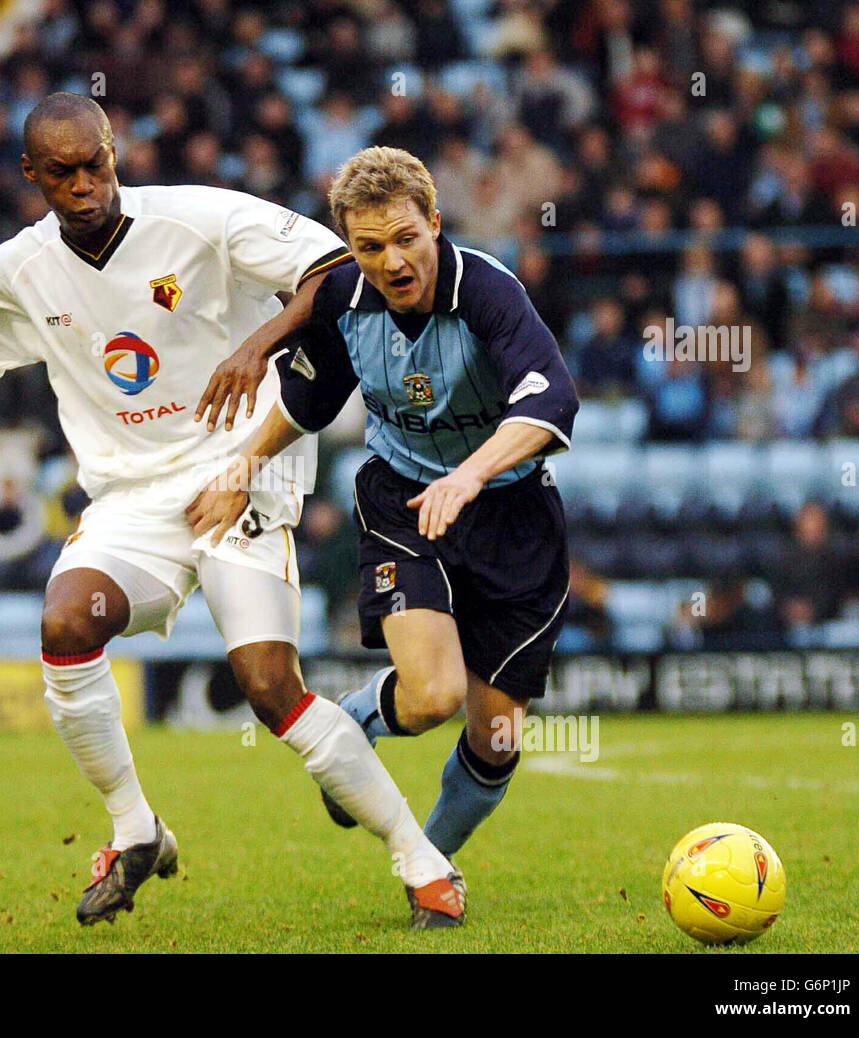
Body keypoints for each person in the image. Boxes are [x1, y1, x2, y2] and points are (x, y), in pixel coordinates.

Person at [0, 95, 463, 929]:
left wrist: (261, 343)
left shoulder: (198, 217)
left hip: (237, 472)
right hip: (131, 498)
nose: (83, 184)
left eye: (95, 163)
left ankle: (421, 857)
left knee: (268, 686)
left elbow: (333, 271)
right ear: (32, 175)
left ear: (116, 151)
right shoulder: (21, 270)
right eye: (61, 172)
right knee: (66, 623)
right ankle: (136, 829)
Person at [188, 146, 578, 878]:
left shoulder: (489, 291)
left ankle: (427, 852)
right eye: (369, 247)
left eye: (406, 239)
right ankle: (418, 851)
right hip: (402, 499)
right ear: (351, 247)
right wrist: (241, 466)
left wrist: (469, 475)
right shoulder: (344, 299)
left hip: (513, 516)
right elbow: (308, 400)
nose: (392, 261)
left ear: (435, 223)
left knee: (495, 736)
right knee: (433, 694)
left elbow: (553, 399)